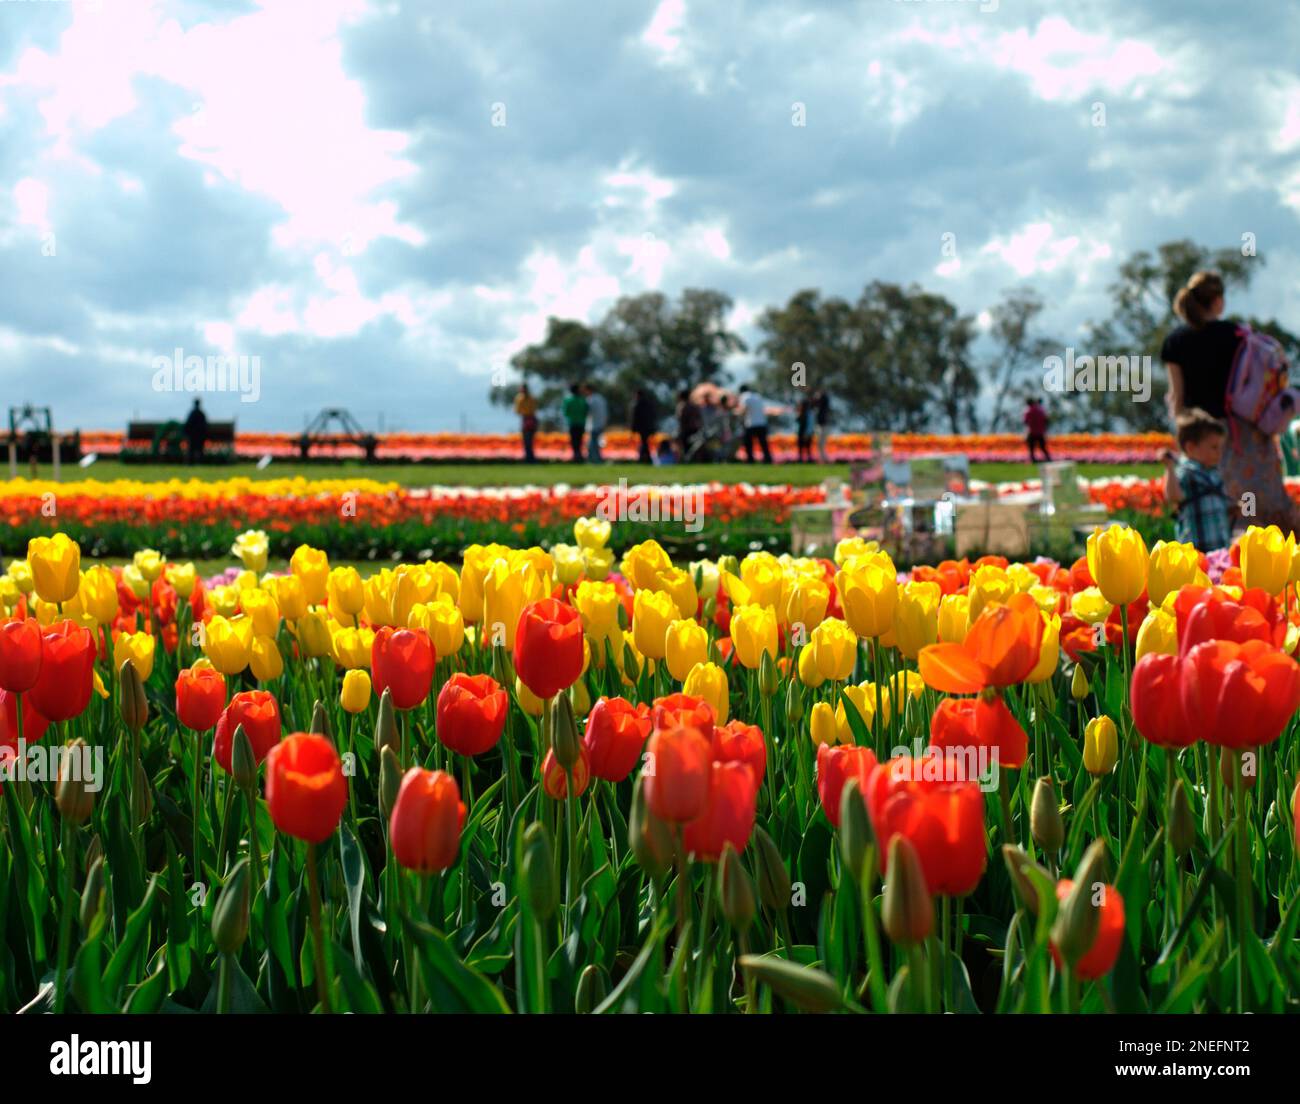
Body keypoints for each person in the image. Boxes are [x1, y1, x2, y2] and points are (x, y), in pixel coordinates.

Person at [1162, 270, 1300, 534]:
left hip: (1201, 434)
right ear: (1218, 302)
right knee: (1263, 498)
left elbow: (1177, 397)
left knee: (1218, 499)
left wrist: (1183, 438)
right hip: (1245, 432)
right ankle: (1279, 556)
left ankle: (1228, 559)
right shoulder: (1237, 334)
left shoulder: (1175, 342)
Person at [1162, 407, 1231, 551]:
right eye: (1214, 447)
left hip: (1219, 545)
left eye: (1220, 447)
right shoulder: (1186, 473)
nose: (1219, 453)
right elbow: (1174, 496)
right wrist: (1169, 468)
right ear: (1191, 448)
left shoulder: (1215, 473)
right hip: (1195, 548)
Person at [736, 384, 773, 463]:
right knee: (763, 443)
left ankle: (750, 459)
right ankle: (767, 459)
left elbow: (743, 410)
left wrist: (736, 412)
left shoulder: (744, 396)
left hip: (751, 424)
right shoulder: (757, 396)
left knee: (748, 443)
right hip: (762, 423)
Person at [629, 387, 659, 464]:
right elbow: (654, 416)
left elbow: (635, 418)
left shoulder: (637, 404)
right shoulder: (650, 404)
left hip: (642, 428)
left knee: (644, 443)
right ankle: (646, 458)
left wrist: (632, 430)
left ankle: (644, 458)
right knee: (645, 443)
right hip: (649, 428)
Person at [561, 383, 588, 462]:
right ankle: (579, 456)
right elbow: (585, 411)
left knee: (574, 441)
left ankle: (576, 456)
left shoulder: (568, 400)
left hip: (572, 423)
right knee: (579, 441)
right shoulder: (582, 399)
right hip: (581, 423)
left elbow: (565, 412)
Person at [513, 384, 539, 463]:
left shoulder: (520, 398)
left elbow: (517, 411)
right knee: (529, 440)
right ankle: (530, 457)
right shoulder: (531, 397)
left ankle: (529, 458)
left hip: (527, 419)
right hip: (531, 419)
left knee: (527, 440)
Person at [676, 388, 702, 461]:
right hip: (694, 429)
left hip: (685, 430)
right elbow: (698, 417)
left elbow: (680, 418)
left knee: (686, 448)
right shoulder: (693, 405)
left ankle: (686, 460)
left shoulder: (681, 406)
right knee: (693, 448)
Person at [585, 383, 608, 462]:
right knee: (595, 443)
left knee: (593, 444)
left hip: (594, 425)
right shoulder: (601, 398)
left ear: (589, 390)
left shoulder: (591, 399)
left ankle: (595, 460)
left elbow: (587, 411)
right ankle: (596, 458)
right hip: (601, 423)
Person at [1023, 398, 1051, 462]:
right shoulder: (1040, 410)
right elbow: (1046, 420)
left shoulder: (1028, 411)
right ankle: (1048, 458)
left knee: (1031, 446)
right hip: (1040, 431)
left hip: (1032, 431)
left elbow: (1025, 421)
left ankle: (1033, 459)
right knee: (1042, 446)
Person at [183, 398, 208, 465]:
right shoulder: (201, 414)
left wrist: (186, 433)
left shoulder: (192, 413)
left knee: (191, 449)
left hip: (192, 435)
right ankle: (200, 462)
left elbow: (188, 424)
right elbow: (205, 426)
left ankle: (190, 463)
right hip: (200, 436)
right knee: (199, 450)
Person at [813, 388, 831, 463]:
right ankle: (822, 458)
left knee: (822, 443)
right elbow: (813, 403)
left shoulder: (824, 401)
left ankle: (823, 458)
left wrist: (818, 396)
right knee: (820, 443)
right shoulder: (818, 404)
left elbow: (825, 399)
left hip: (823, 425)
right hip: (819, 424)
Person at [795, 397, 814, 463]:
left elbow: (810, 424)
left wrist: (807, 433)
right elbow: (797, 421)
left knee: (807, 446)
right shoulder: (801, 412)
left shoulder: (809, 413)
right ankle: (801, 459)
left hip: (806, 432)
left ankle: (809, 459)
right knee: (800, 446)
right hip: (801, 432)